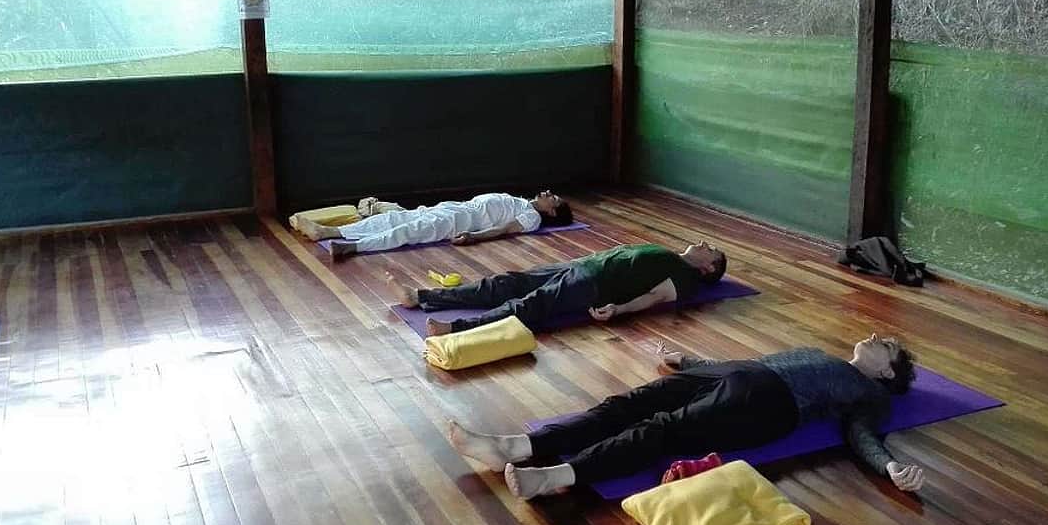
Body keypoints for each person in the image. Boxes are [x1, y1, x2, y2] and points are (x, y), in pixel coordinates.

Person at [448, 335, 925, 499]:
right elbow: (766, 360)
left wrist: (888, 468)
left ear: (886, 370)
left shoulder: (867, 392)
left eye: (886, 343)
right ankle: (517, 447)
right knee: (624, 405)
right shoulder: (821, 352)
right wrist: (690, 362)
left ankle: (556, 476)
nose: (877, 336)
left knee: (661, 431)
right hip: (738, 373)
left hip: (769, 405)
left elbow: (861, 433)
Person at [389, 241, 728, 336]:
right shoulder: (671, 255)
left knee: (530, 304)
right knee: (506, 283)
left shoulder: (685, 280)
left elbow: (653, 297)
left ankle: (456, 328)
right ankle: (424, 296)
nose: (702, 243)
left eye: (709, 249)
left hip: (593, 286)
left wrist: (618, 310)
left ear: (708, 268)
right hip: (580, 266)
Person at [294, 190, 572, 260]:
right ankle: (331, 232)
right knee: (396, 218)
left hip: (462, 221)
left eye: (553, 198)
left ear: (552, 213)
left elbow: (505, 230)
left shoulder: (532, 218)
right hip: (456, 208)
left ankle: (351, 247)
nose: (548, 192)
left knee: (408, 232)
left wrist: (475, 237)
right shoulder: (521, 200)